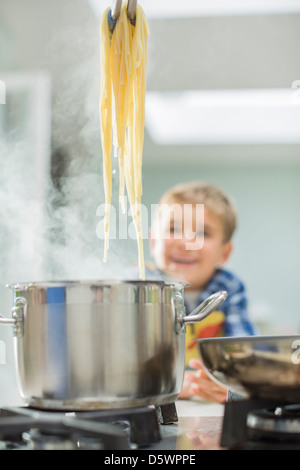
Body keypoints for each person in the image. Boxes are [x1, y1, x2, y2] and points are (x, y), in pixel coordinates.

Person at [144, 181, 258, 403]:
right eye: (173, 229)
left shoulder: (229, 288)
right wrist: (172, 380)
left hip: (207, 406)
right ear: (153, 241)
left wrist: (231, 387)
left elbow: (246, 356)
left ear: (224, 253)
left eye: (203, 233)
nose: (186, 242)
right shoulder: (137, 285)